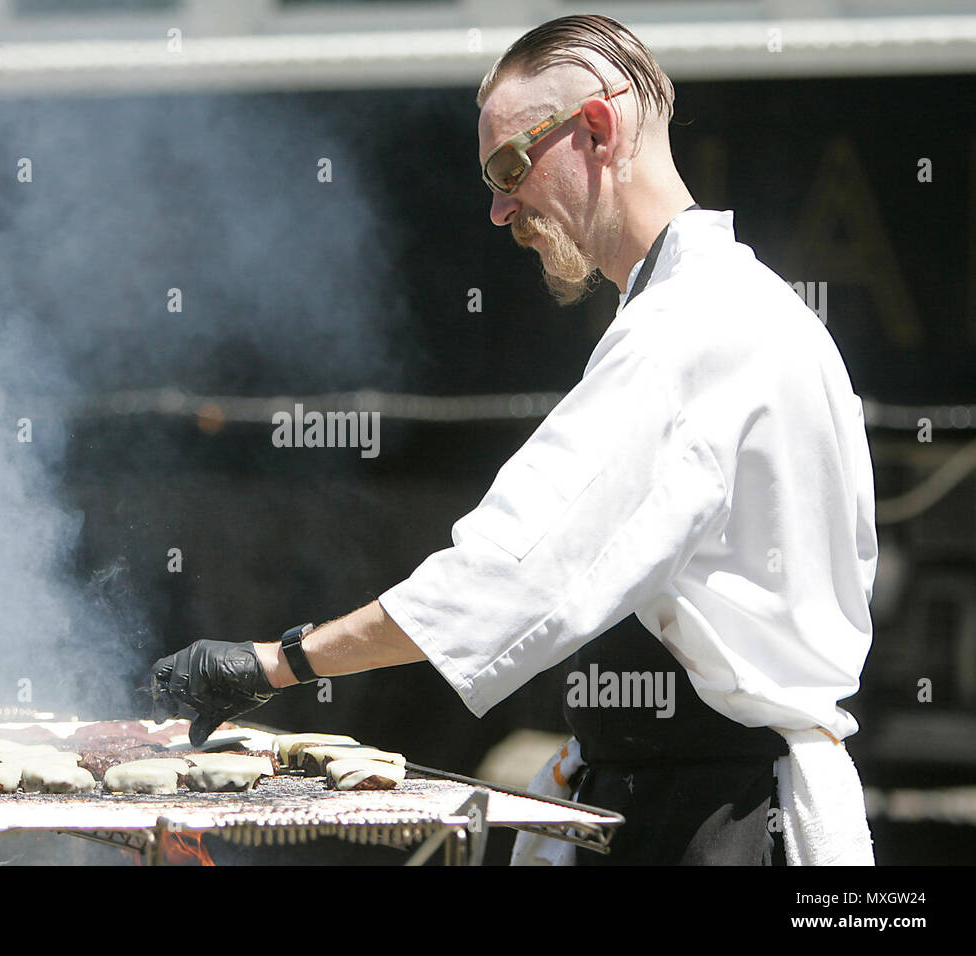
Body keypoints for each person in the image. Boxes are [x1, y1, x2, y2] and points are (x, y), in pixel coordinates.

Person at [151, 14, 877, 865]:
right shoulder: (739, 308)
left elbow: (511, 566)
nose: (498, 209)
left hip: (723, 825)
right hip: (704, 799)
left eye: (508, 167)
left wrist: (277, 663)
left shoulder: (691, 329)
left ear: (597, 130)